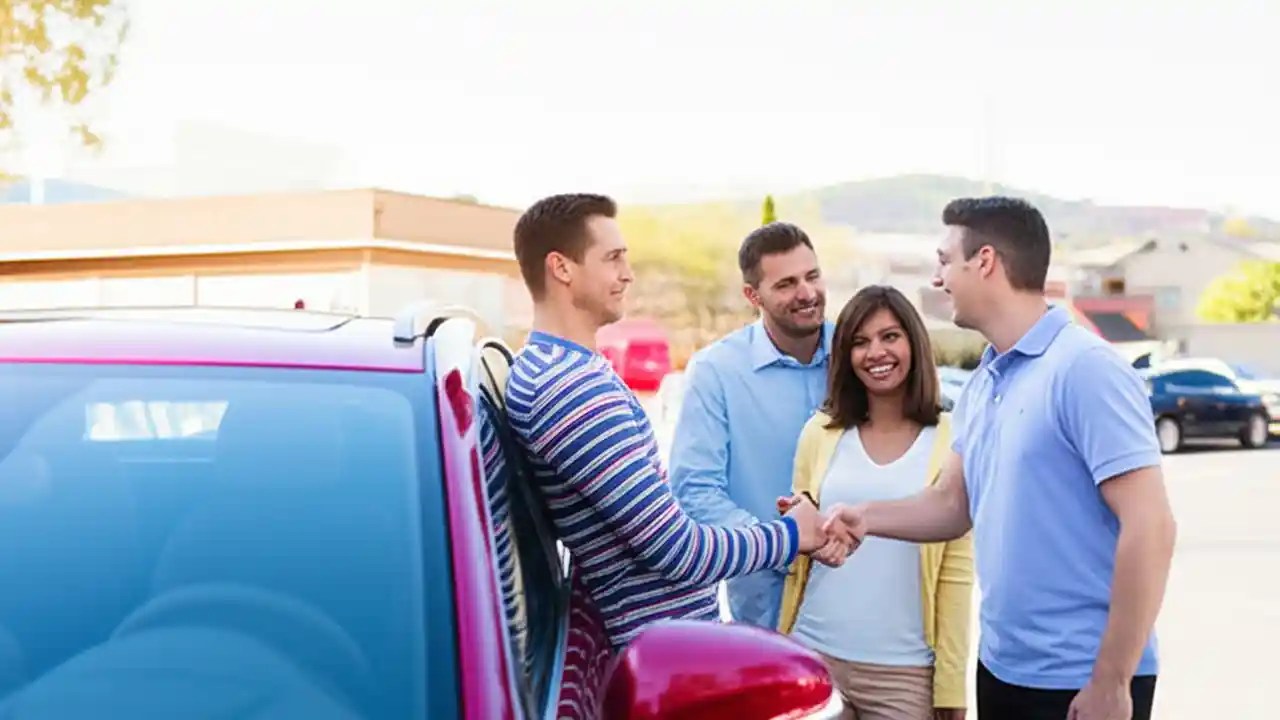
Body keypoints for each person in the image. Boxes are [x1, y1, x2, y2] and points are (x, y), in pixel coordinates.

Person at [823, 197, 1177, 720]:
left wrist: (1112, 679)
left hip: (1081, 681)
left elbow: (1151, 527)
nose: (939, 278)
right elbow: (952, 503)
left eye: (945, 260)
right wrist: (866, 516)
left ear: (984, 261)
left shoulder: (1085, 369)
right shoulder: (985, 380)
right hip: (1003, 670)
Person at [503, 193, 835, 652]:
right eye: (613, 258)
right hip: (662, 656)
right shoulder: (566, 386)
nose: (628, 273)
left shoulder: (571, 369)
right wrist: (793, 534)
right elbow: (679, 551)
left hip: (669, 645)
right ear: (562, 268)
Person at [776, 285, 973, 720]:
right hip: (812, 655)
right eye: (860, 342)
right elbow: (800, 546)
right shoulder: (820, 433)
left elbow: (956, 575)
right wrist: (803, 531)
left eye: (889, 336)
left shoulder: (952, 436)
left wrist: (951, 688)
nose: (875, 352)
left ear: (913, 343)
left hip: (904, 675)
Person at [669, 221, 837, 629]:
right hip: (767, 608)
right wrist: (780, 541)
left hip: (865, 595)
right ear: (752, 295)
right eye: (786, 284)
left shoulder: (860, 355)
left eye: (812, 276)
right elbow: (695, 489)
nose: (806, 293)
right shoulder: (716, 372)